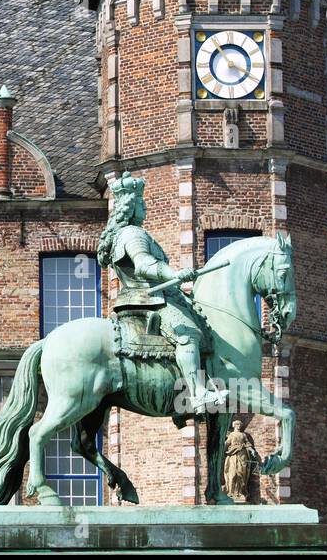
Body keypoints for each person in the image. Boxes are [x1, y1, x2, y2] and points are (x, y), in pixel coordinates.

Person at [96, 173, 228, 415]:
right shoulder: (133, 234)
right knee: (188, 335)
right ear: (131, 206)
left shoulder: (125, 235)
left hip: (141, 297)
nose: (145, 207)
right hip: (149, 299)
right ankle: (198, 394)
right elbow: (144, 265)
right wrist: (175, 273)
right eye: (141, 203)